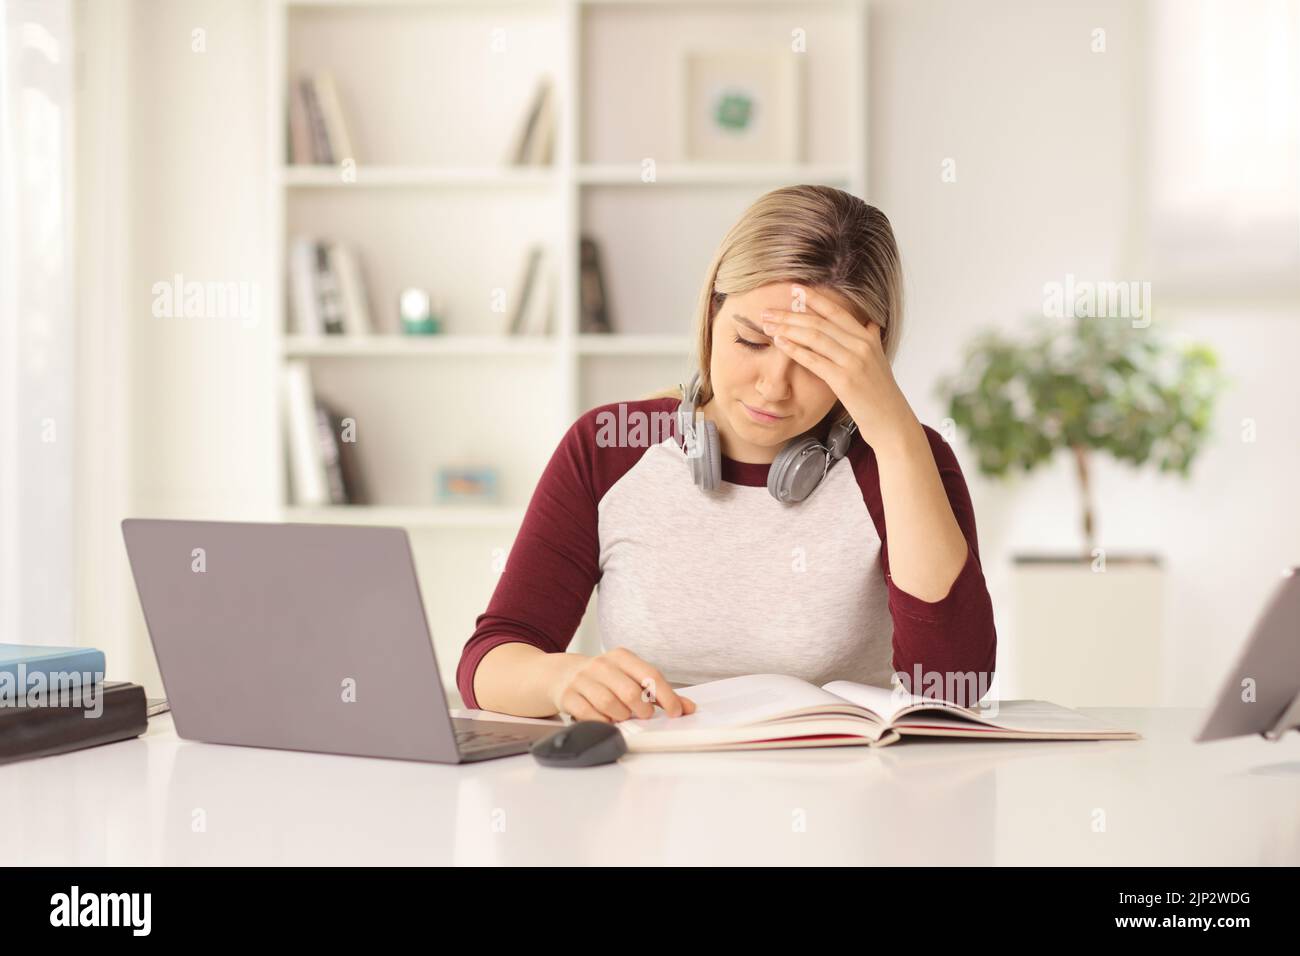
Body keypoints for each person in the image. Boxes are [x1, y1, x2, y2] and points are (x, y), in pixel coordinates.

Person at [456, 184, 996, 722]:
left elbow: (951, 688)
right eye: (751, 342)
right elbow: (489, 660)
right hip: (651, 792)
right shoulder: (609, 445)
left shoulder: (903, 458)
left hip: (837, 792)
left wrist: (897, 438)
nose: (773, 388)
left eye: (815, 360)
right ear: (713, 311)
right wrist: (561, 678)